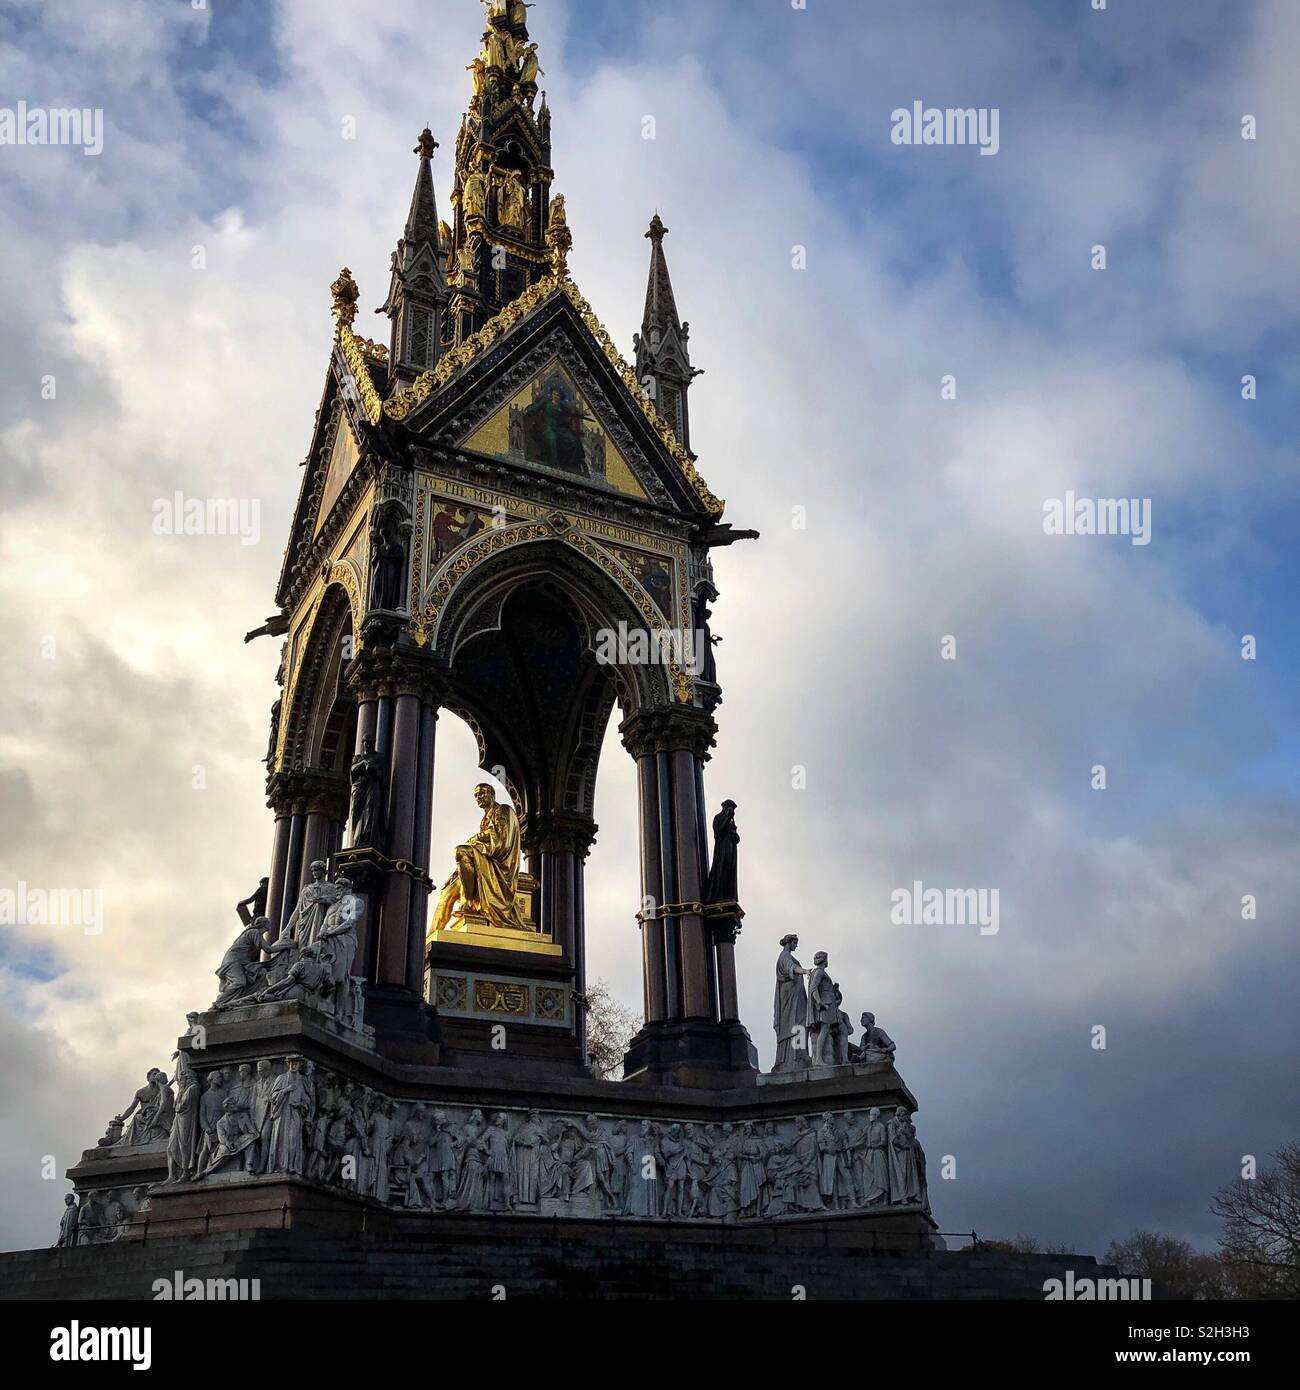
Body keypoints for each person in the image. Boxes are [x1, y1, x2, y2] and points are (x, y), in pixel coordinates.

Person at [431, 785, 529, 934]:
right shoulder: (485, 819)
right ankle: (424, 946)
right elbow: (479, 846)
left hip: (498, 868)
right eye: (476, 795)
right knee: (446, 894)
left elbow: (502, 845)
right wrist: (456, 873)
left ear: (492, 795)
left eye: (482, 793)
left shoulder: (503, 810)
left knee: (461, 851)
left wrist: (476, 839)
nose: (479, 797)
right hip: (481, 865)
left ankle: (468, 905)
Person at [773, 935, 809, 1070]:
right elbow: (792, 968)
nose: (796, 945)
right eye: (795, 943)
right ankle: (794, 1056)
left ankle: (800, 1054)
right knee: (795, 1023)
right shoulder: (784, 956)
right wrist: (805, 971)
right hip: (790, 996)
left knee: (800, 1022)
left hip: (796, 994)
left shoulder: (788, 956)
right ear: (788, 943)